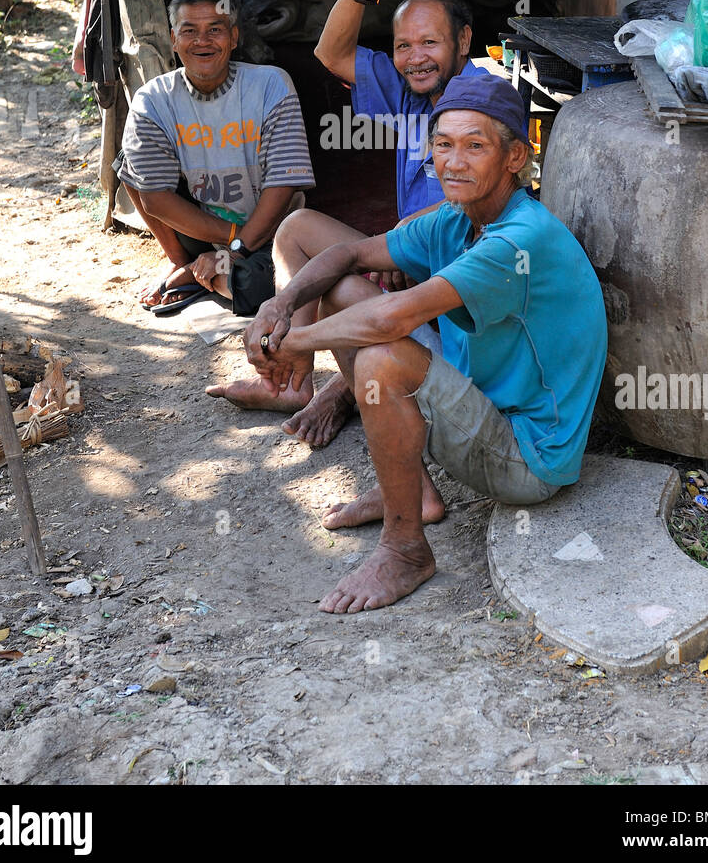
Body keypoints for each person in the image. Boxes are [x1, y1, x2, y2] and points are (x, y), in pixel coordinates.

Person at [238, 74, 608, 613]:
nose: (453, 162)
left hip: (527, 457)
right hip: (475, 406)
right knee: (341, 287)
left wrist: (298, 340)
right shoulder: (456, 218)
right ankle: (416, 493)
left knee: (383, 357)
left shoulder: (518, 239)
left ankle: (405, 549)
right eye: (443, 145)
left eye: (475, 146)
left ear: (514, 158)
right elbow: (351, 255)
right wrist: (281, 304)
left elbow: (390, 317)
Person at [204, 0, 489, 443]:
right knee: (296, 230)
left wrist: (405, 242)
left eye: (430, 42)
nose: (415, 57)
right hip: (414, 266)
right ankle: (297, 383)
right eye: (404, 45)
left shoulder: (480, 99)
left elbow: (483, 206)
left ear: (464, 40)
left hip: (457, 320)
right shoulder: (409, 90)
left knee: (336, 288)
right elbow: (331, 54)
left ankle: (360, 391)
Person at [118, 0, 315, 315]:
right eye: (189, 30)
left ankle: (207, 274)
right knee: (130, 162)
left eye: (215, 29)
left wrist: (236, 250)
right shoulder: (152, 100)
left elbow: (283, 185)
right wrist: (228, 240)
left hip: (269, 234)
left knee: (260, 286)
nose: (202, 41)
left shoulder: (270, 85)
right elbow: (154, 197)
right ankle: (185, 265)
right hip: (200, 228)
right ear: (173, 40)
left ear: (234, 37)